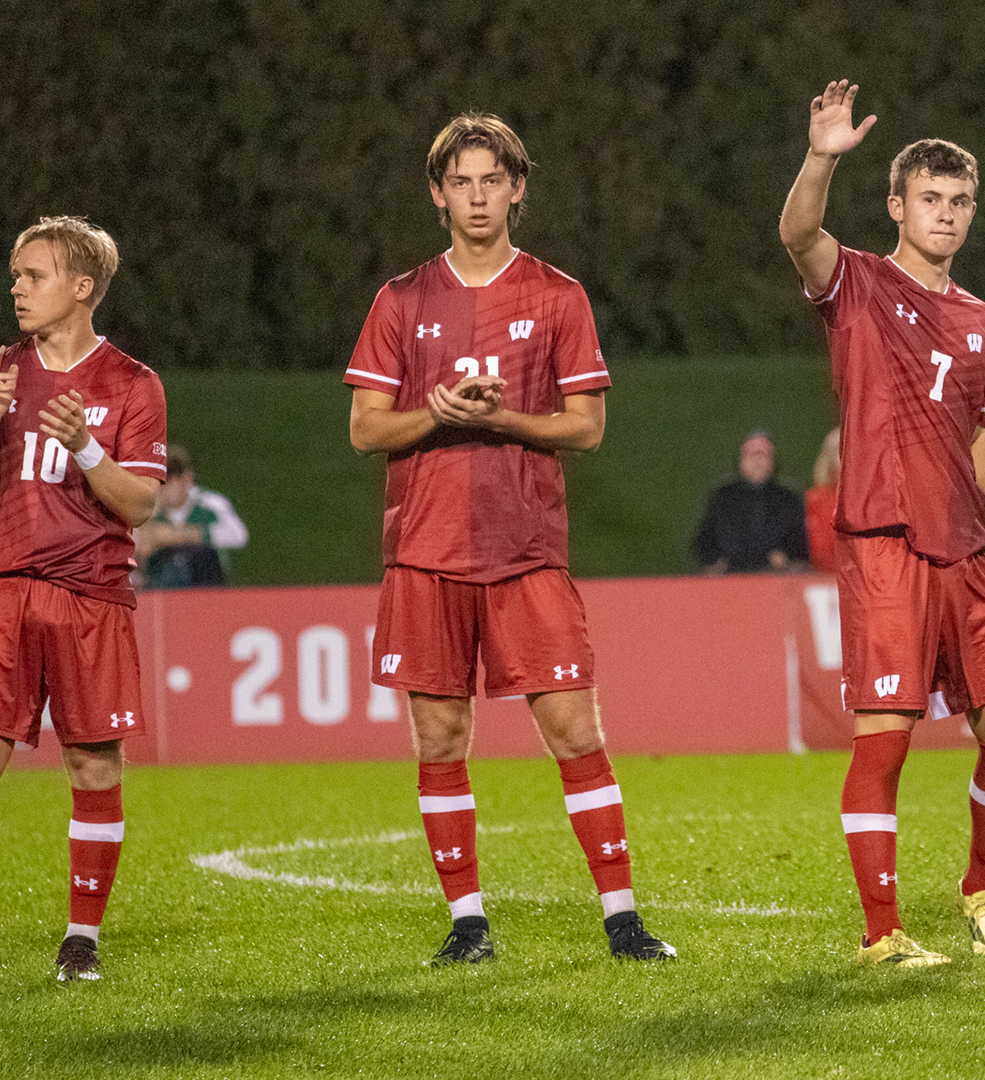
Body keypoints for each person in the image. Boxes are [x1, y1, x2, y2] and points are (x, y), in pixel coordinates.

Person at [345, 112, 673, 964]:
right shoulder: (401, 298)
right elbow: (365, 428)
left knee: (575, 730)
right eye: (462, 182)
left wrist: (503, 419)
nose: (478, 196)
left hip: (526, 551)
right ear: (438, 194)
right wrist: (436, 413)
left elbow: (586, 427)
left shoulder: (557, 295)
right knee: (440, 740)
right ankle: (468, 926)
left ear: (517, 188)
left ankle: (624, 921)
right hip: (425, 549)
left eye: (492, 180)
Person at [781, 80, 985, 966]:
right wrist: (821, 158)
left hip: (967, 547)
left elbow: (977, 430)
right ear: (897, 205)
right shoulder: (856, 282)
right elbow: (799, 235)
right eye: (931, 198)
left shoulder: (978, 318)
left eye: (960, 201)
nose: (947, 214)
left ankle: (979, 889)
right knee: (885, 740)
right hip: (885, 539)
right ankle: (882, 931)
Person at [0, 217, 168, 981]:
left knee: (94, 767)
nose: (16, 287)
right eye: (16, 274)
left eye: (34, 274)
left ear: (82, 287)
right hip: (0, 592)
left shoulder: (133, 384)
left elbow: (140, 504)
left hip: (91, 597)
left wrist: (85, 446)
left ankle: (81, 940)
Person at [693, 431, 809, 573]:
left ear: (772, 461)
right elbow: (704, 540)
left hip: (775, 576)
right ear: (741, 460)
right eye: (752, 455)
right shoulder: (722, 497)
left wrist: (786, 558)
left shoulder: (788, 499)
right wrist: (714, 561)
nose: (757, 461)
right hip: (730, 577)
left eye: (763, 455)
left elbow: (800, 541)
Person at [134, 444, 248, 587]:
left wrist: (174, 536)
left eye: (170, 481)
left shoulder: (209, 503)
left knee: (202, 553)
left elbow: (238, 535)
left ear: (186, 478)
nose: (165, 489)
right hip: (162, 583)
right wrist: (151, 514)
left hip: (205, 582)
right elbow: (138, 548)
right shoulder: (150, 507)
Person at [805, 427, 842, 572]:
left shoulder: (871, 503)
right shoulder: (814, 500)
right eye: (839, 452)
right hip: (823, 576)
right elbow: (817, 551)